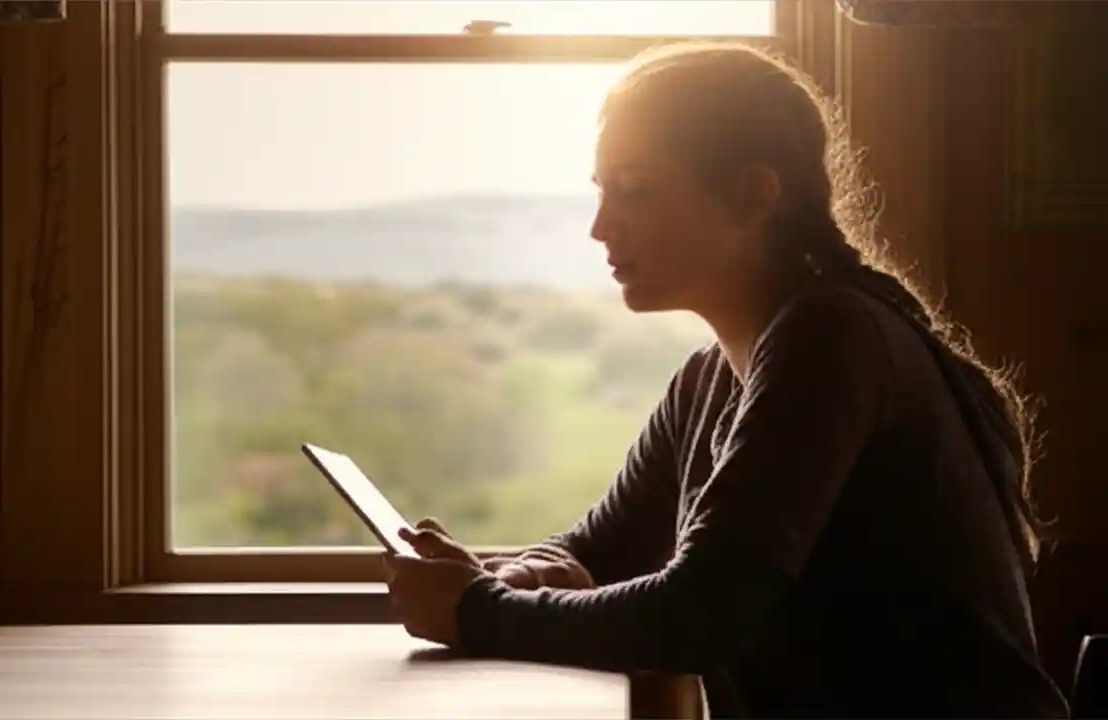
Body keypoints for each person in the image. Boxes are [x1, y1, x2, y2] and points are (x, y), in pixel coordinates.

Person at [383, 41, 1070, 717]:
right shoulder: (706, 381)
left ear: (751, 195)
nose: (598, 227)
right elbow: (592, 547)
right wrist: (523, 575)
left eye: (635, 190)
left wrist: (478, 609)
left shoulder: (833, 338)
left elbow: (700, 615)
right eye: (601, 192)